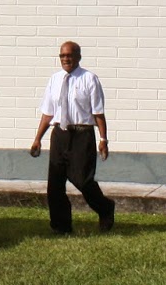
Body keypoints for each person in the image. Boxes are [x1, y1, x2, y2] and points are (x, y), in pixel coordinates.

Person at [29, 40, 114, 234]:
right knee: (55, 184)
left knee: (83, 180)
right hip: (60, 134)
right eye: (62, 56)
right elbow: (48, 112)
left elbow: (98, 113)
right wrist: (37, 138)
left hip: (82, 135)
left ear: (78, 57)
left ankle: (105, 208)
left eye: (69, 55)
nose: (65, 59)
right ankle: (61, 226)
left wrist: (103, 140)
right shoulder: (55, 79)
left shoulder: (89, 79)